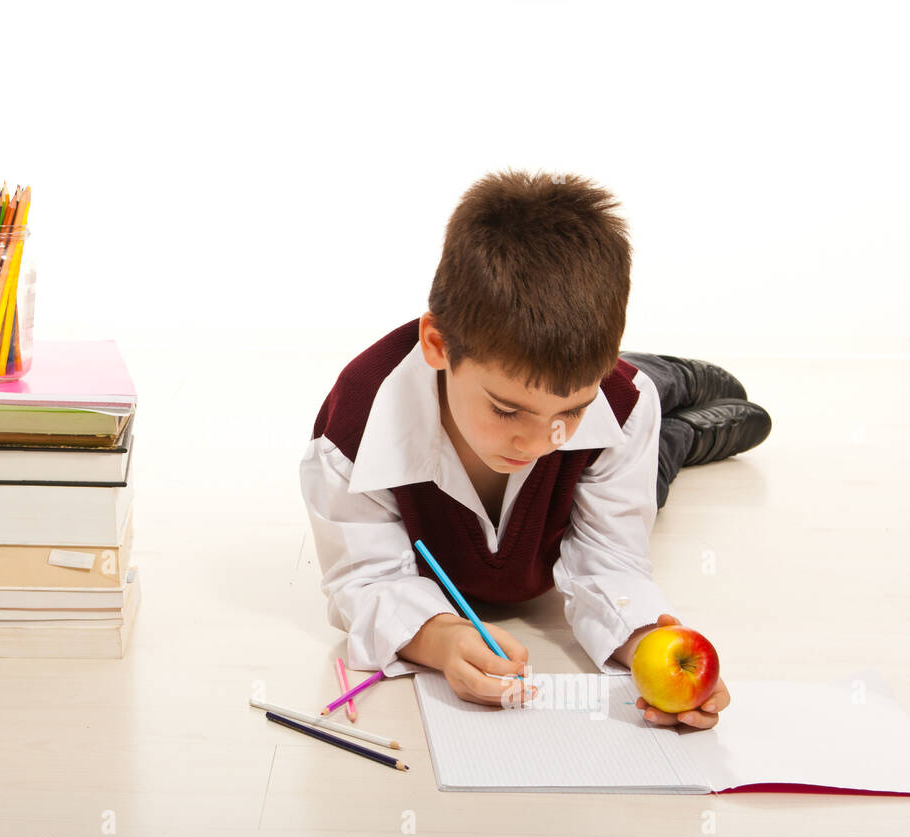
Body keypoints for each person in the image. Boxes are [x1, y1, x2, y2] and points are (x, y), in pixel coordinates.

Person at [299, 170, 771, 730]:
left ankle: (665, 396)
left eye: (574, 410)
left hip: (621, 405)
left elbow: (611, 559)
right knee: (645, 435)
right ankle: (684, 431)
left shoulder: (619, 406)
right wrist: (442, 638)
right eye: (506, 410)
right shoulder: (354, 430)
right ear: (437, 345)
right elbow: (364, 580)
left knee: (640, 433)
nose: (541, 441)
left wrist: (647, 638)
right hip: (584, 394)